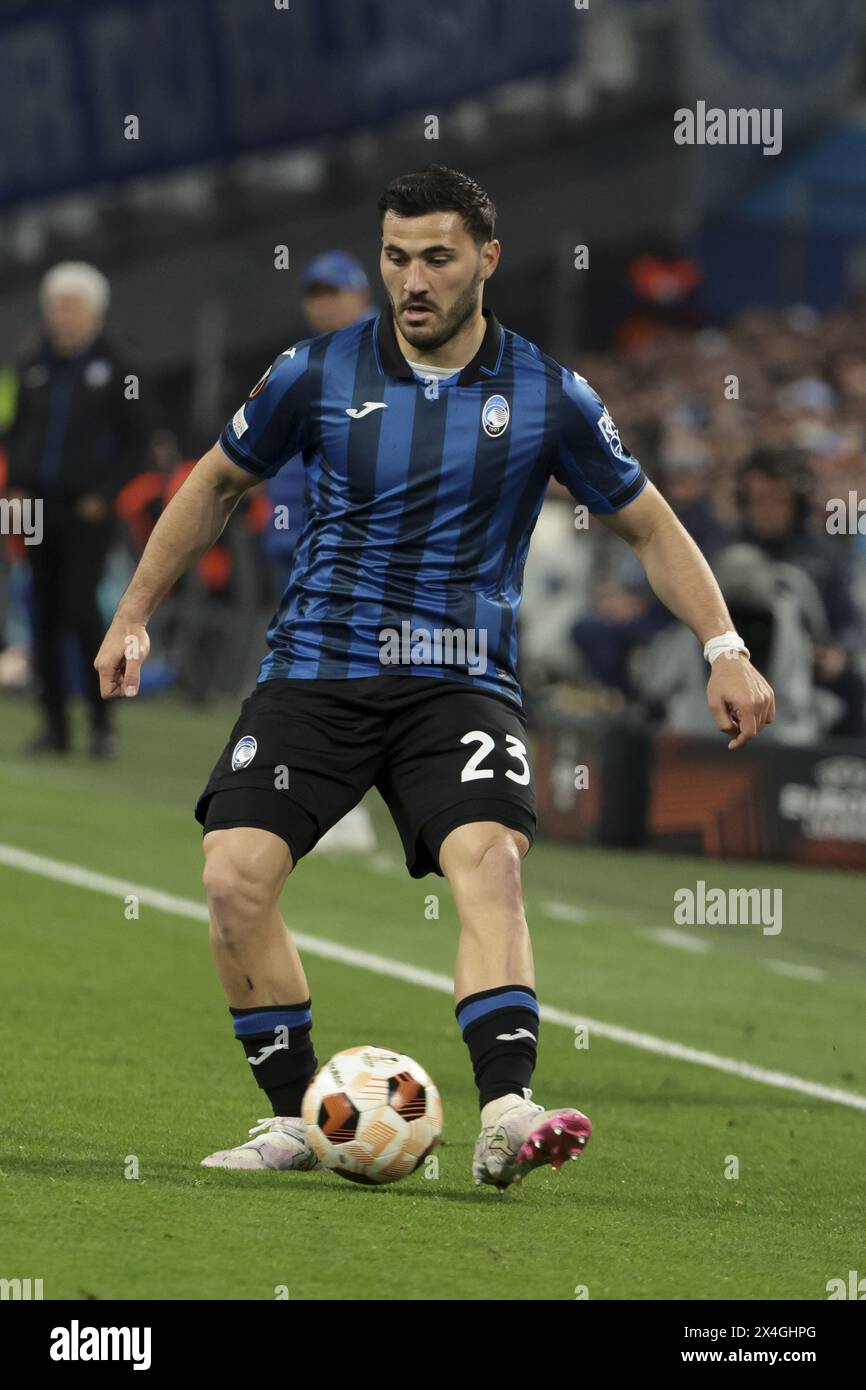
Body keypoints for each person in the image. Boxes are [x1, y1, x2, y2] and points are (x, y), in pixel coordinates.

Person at [95, 166, 774, 1189]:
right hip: (317, 667)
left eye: (437, 257)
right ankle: (297, 1118)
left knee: (489, 861)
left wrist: (722, 645)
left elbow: (645, 521)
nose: (412, 279)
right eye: (395, 256)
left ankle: (505, 1108)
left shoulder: (547, 392)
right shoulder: (314, 371)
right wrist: (134, 612)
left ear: (487, 260)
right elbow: (216, 482)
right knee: (232, 880)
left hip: (457, 679)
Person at [6, 262, 150, 757]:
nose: (63, 317)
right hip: (35, 506)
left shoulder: (119, 368)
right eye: (56, 308)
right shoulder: (32, 365)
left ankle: (101, 720)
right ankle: (54, 726)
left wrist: (106, 493)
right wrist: (16, 486)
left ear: (96, 313)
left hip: (89, 509)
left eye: (73, 308)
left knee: (81, 607)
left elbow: (139, 444)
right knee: (40, 610)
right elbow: (18, 433)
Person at [261, 251, 377, 852]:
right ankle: (318, 802)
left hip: (359, 546)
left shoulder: (390, 355)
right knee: (306, 671)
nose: (323, 303)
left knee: (349, 673)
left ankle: (347, 810)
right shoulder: (303, 362)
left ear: (361, 294)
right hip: (298, 541)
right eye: (314, 292)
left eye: (334, 291)